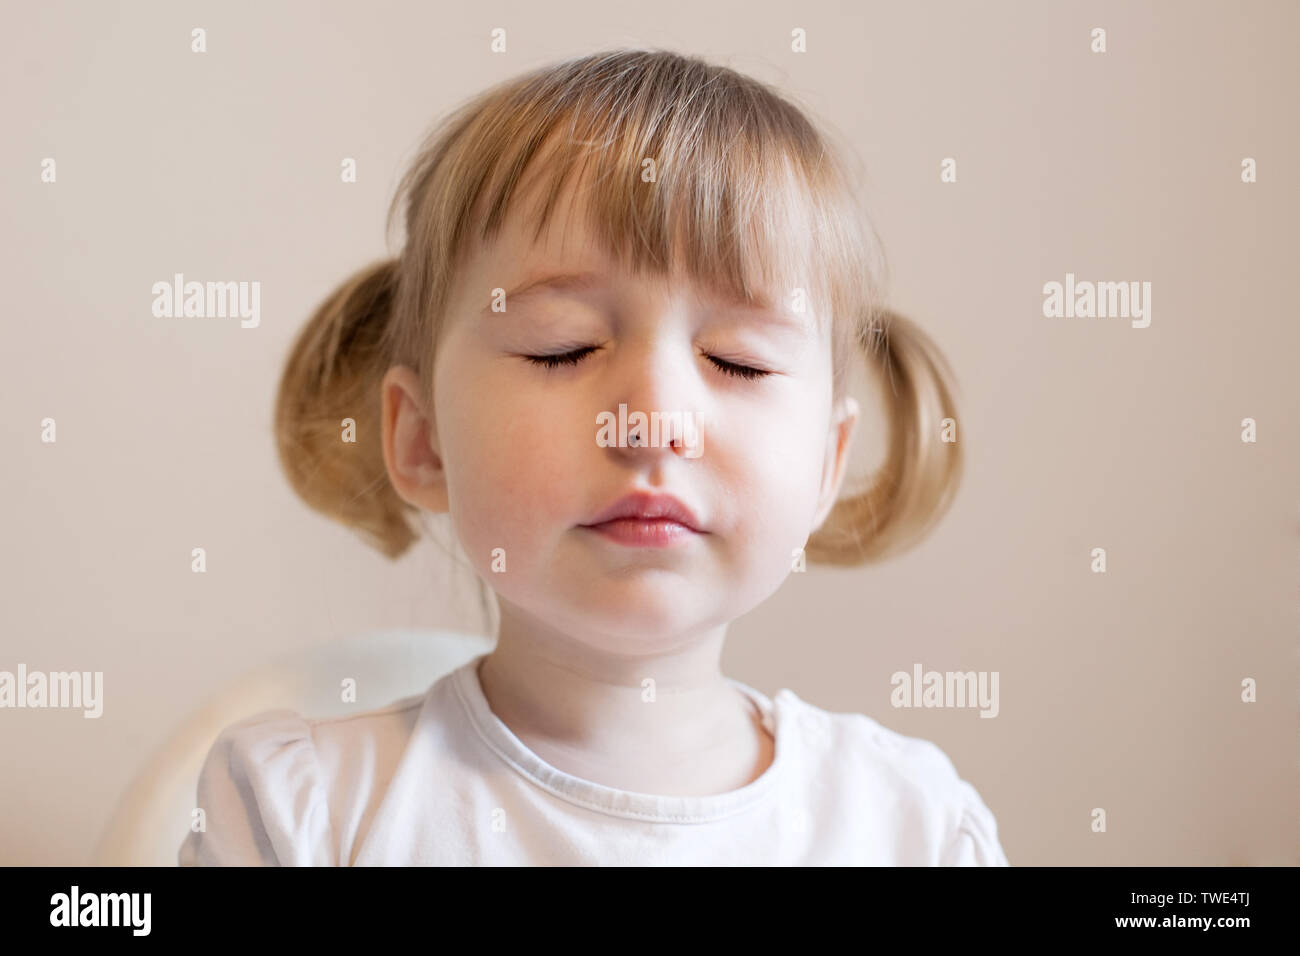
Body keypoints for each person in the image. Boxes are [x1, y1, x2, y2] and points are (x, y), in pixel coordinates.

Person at [179, 47, 1007, 866]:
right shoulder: (306, 817)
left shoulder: (910, 830)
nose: (651, 422)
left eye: (739, 362)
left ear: (828, 464)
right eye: (562, 348)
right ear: (423, 439)